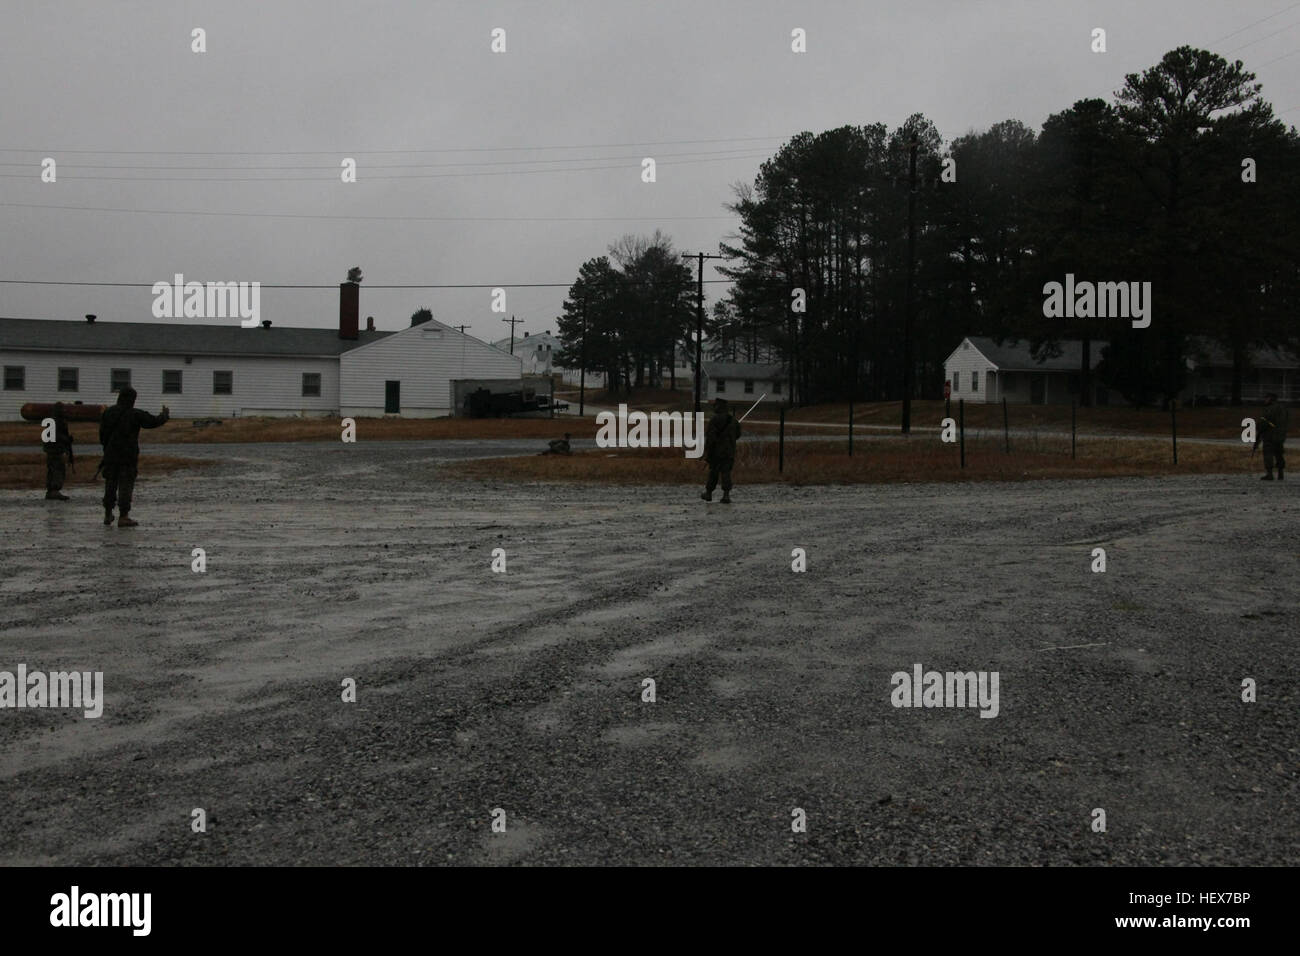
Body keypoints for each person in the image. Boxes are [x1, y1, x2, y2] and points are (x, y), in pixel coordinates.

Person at [98, 387, 169, 527]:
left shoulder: (108, 413)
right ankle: (123, 516)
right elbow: (152, 422)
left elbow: (102, 435)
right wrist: (164, 415)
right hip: (128, 455)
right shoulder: (134, 414)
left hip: (111, 454)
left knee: (110, 484)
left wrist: (107, 449)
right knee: (125, 485)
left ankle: (107, 513)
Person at [701, 397, 741, 504]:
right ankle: (726, 495)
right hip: (729, 452)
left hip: (716, 452)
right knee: (726, 473)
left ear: (719, 407)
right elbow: (738, 435)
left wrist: (707, 451)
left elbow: (710, 438)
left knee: (713, 473)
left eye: (715, 405)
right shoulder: (733, 420)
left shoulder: (714, 420)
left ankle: (708, 493)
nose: (714, 407)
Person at [43, 402, 74, 500]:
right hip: (56, 450)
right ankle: (54, 490)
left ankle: (51, 490)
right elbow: (56, 437)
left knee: (52, 470)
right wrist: (66, 440)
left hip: (51, 450)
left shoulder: (51, 421)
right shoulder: (58, 422)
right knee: (58, 470)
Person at [1257, 391, 1289, 481]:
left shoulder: (1270, 409)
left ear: (1271, 399)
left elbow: (1265, 422)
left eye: (1266, 398)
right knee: (1279, 453)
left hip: (1270, 435)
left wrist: (1259, 427)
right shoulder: (1283, 408)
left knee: (1268, 454)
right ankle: (1280, 473)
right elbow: (1286, 421)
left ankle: (1269, 474)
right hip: (1280, 435)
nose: (1265, 400)